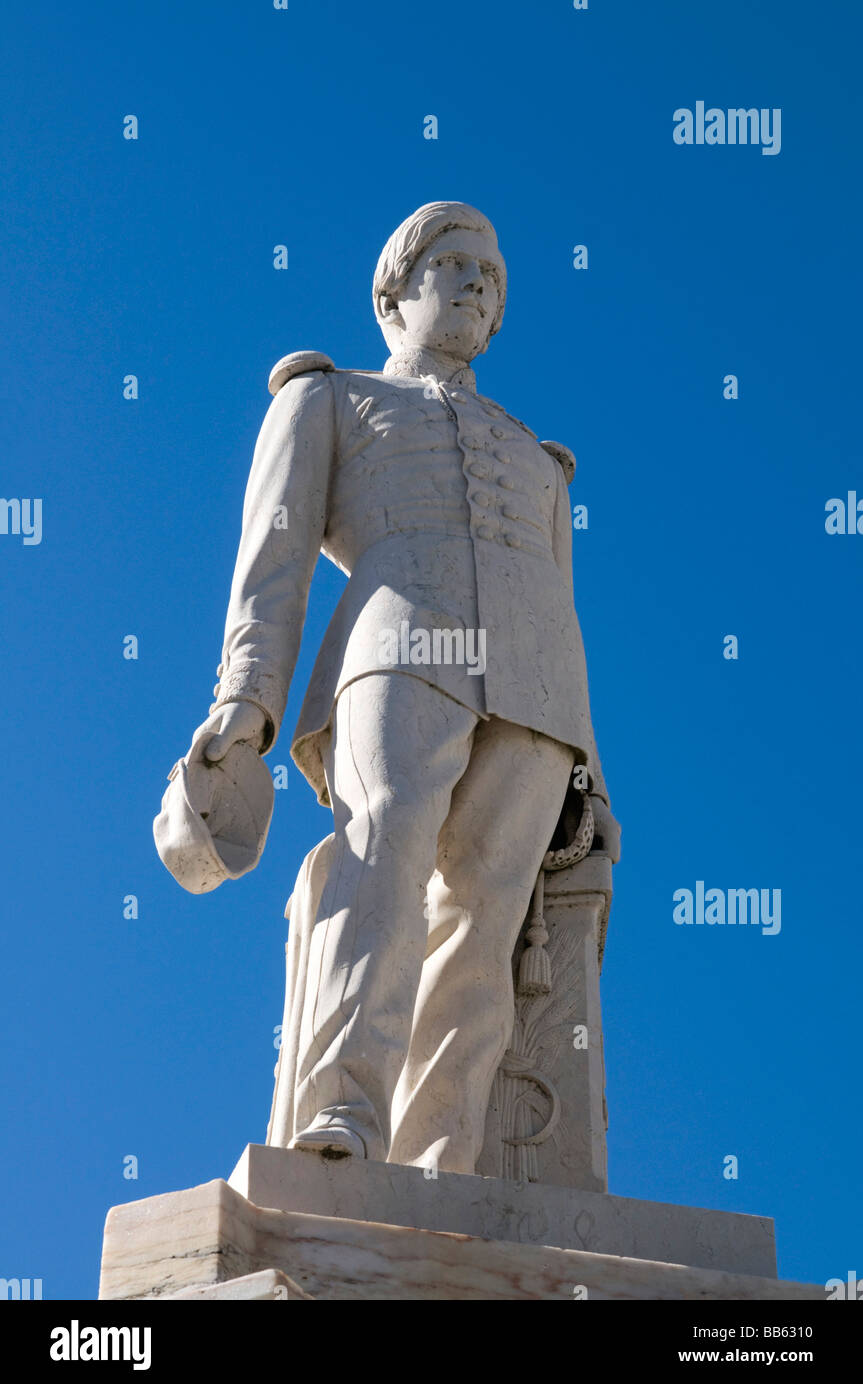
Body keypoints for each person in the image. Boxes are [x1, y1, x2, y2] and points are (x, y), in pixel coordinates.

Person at [188, 201, 620, 1174]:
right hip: (400, 635)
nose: (477, 286)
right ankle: (343, 1111)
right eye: (454, 264)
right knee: (379, 848)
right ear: (395, 289)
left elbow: (565, 604)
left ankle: (440, 1156)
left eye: (492, 278)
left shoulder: (539, 460)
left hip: (536, 682)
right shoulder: (327, 396)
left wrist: (591, 770)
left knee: (486, 915)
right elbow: (275, 560)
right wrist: (244, 703)